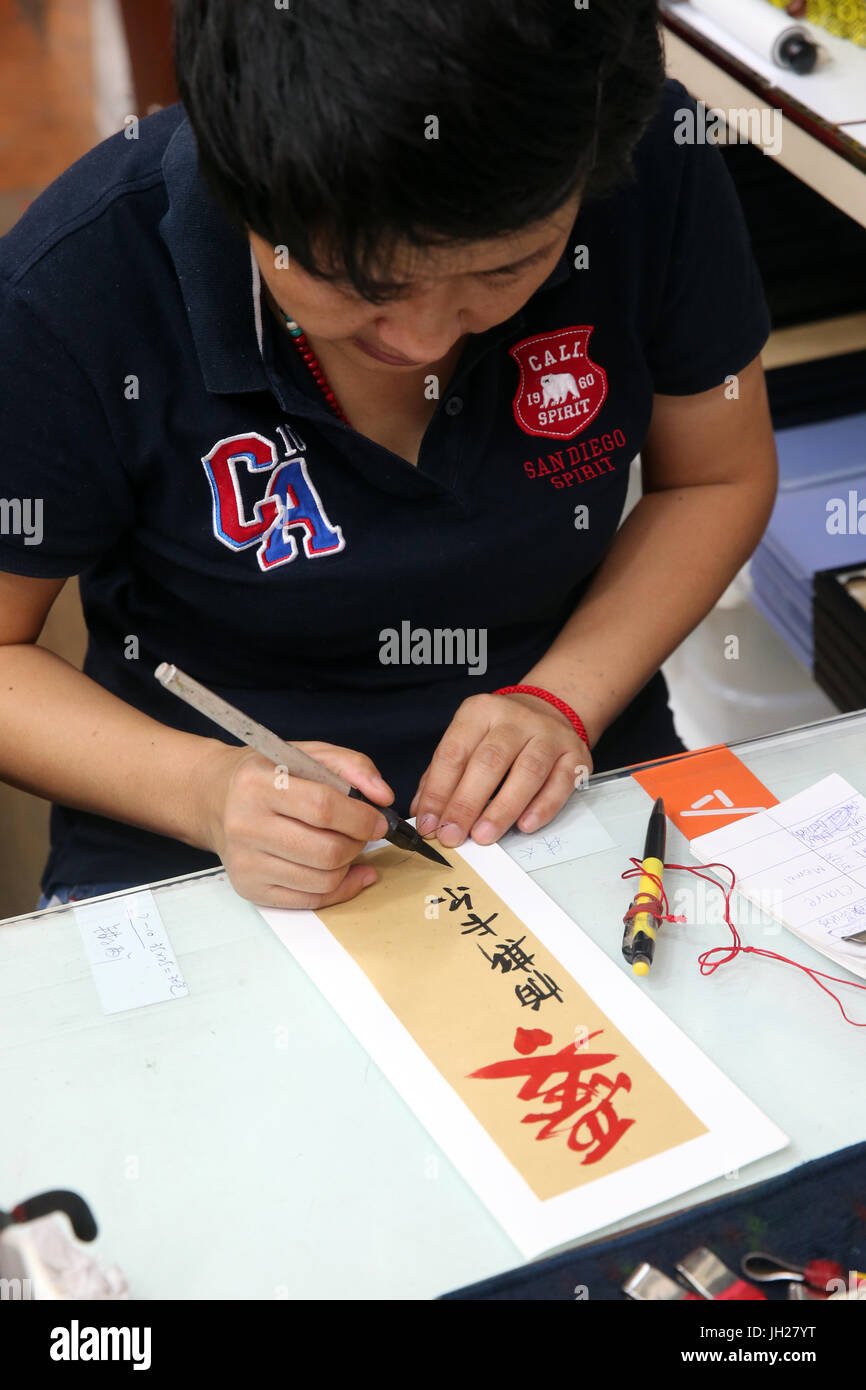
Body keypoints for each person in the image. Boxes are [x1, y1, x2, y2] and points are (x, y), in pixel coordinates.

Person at [0, 0, 777, 913]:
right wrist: (206, 792)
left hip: (570, 781)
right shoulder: (77, 286)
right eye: (353, 283)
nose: (419, 339)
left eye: (505, 270)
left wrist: (562, 701)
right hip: (198, 846)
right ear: (233, 172)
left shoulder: (645, 161)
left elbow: (716, 476)